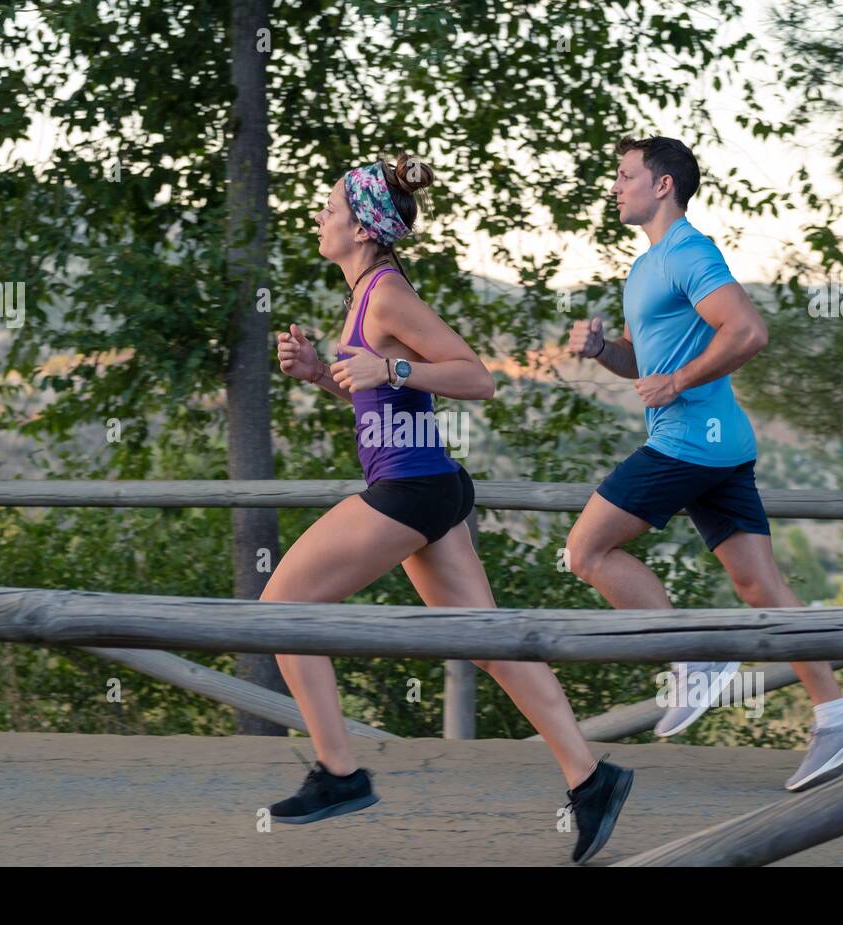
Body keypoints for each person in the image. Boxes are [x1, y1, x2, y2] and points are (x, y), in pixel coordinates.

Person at [267, 153, 633, 863]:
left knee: (280, 606)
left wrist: (393, 367)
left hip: (410, 491)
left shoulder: (388, 293)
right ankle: (591, 779)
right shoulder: (365, 296)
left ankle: (339, 772)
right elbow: (379, 392)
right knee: (490, 645)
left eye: (332, 206)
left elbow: (477, 377)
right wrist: (325, 375)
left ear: (364, 227)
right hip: (429, 486)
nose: (321, 215)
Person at [564, 135, 843, 791]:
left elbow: (749, 331)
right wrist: (604, 351)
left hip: (688, 443)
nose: (614, 186)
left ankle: (696, 655)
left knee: (586, 551)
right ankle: (838, 714)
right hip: (723, 446)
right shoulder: (647, 265)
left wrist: (677, 382)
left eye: (625, 176)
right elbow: (639, 362)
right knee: (759, 587)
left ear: (663, 186)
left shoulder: (689, 252)